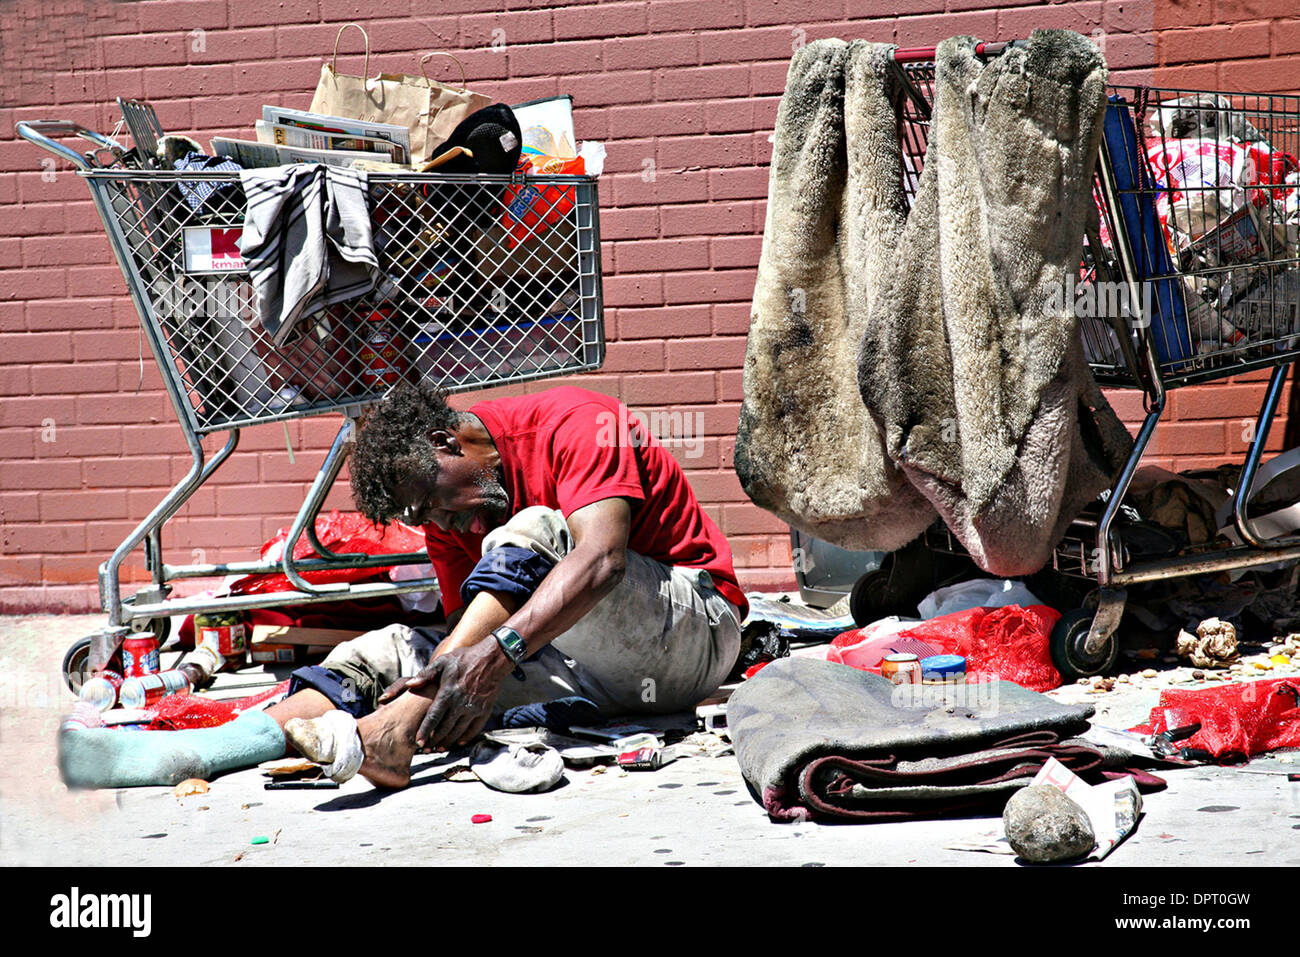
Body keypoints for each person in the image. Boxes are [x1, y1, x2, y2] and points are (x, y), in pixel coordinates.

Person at [269, 381, 746, 787]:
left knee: (536, 529)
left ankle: (390, 735)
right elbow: (464, 638)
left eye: (433, 502)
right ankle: (243, 740)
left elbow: (603, 560)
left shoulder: (578, 421)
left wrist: (495, 658)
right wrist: (462, 674)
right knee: (390, 651)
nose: (441, 523)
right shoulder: (447, 520)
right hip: (591, 672)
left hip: (691, 639)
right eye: (423, 518)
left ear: (444, 442)